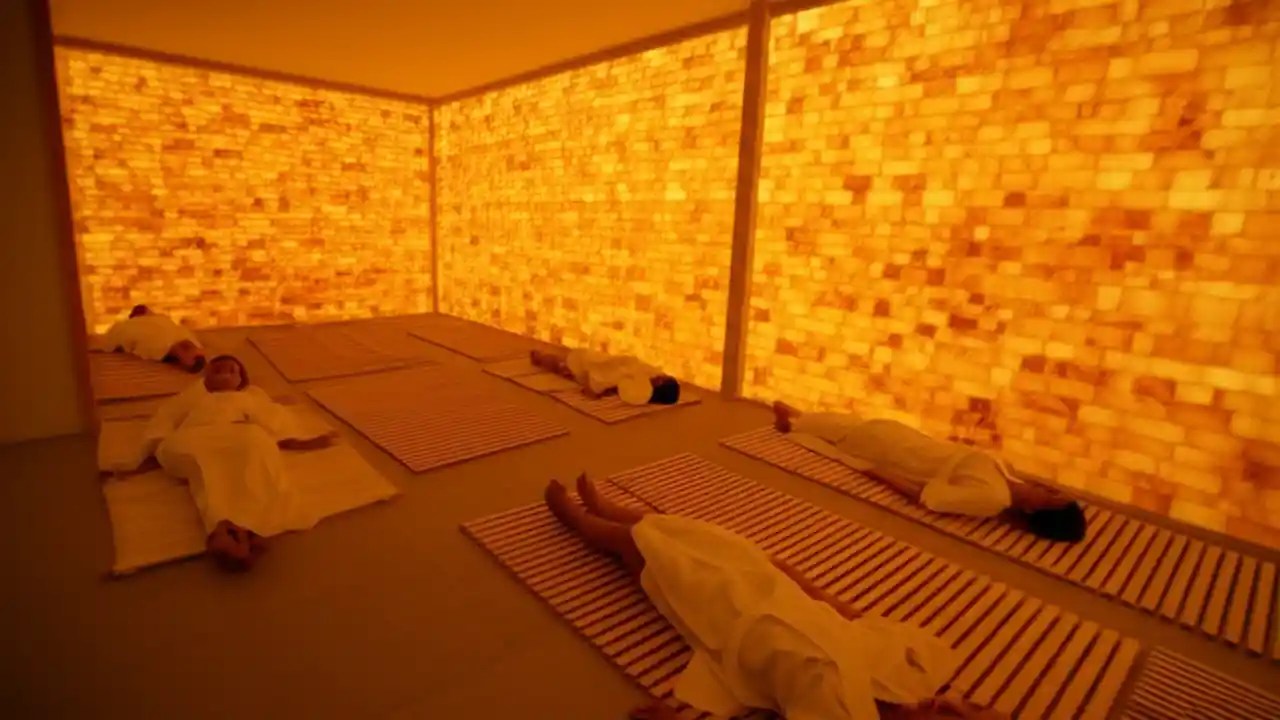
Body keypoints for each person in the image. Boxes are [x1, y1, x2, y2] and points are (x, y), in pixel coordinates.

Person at [544, 475, 1007, 720]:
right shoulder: (918, 667)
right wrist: (796, 578)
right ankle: (613, 509)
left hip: (738, 629)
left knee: (660, 561)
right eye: (972, 704)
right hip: (785, 597)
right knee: (714, 541)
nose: (948, 703)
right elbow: (849, 613)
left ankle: (584, 524)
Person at [772, 402, 1086, 543]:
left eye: (1049, 495)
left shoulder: (992, 498)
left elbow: (929, 498)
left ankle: (796, 425)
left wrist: (872, 471)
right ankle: (805, 419)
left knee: (856, 434)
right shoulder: (1009, 474)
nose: (1045, 487)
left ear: (1035, 508)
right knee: (864, 424)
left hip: (901, 457)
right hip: (915, 443)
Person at [138, 355, 336, 570]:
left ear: (241, 381)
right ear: (205, 377)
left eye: (232, 370)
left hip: (240, 433)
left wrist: (301, 442)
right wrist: (148, 452)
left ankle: (241, 528)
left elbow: (273, 420)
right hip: (196, 437)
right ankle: (232, 530)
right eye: (217, 369)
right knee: (210, 473)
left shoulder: (249, 397)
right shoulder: (191, 397)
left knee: (257, 451)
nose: (224, 371)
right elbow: (165, 418)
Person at [529, 347, 680, 405]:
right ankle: (541, 356)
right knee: (564, 363)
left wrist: (601, 389)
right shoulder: (645, 373)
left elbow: (617, 381)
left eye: (661, 379)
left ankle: (541, 357)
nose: (659, 377)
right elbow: (620, 369)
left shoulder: (642, 387)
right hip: (596, 363)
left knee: (563, 365)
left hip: (593, 368)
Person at [98, 304, 206, 372]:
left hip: (140, 331)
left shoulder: (157, 345)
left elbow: (124, 339)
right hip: (158, 329)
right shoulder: (185, 338)